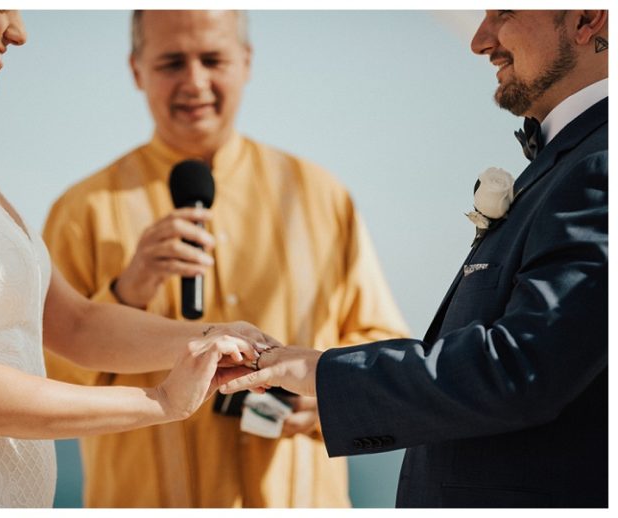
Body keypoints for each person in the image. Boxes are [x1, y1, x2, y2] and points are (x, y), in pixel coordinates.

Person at [0, 10, 272, 508]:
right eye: (2, 7)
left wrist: (214, 337)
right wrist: (160, 401)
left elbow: (76, 325)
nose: (18, 32)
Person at [221, 9, 608, 508]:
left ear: (586, 20)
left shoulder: (600, 163)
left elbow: (524, 367)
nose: (479, 40)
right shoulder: (566, 161)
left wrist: (325, 373)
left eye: (504, 12)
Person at [42, 10, 408, 508]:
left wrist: (326, 401)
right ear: (136, 69)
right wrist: (128, 290)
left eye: (212, 59)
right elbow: (46, 380)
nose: (194, 82)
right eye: (172, 62)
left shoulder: (319, 196)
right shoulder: (81, 211)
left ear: (246, 62)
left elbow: (381, 343)